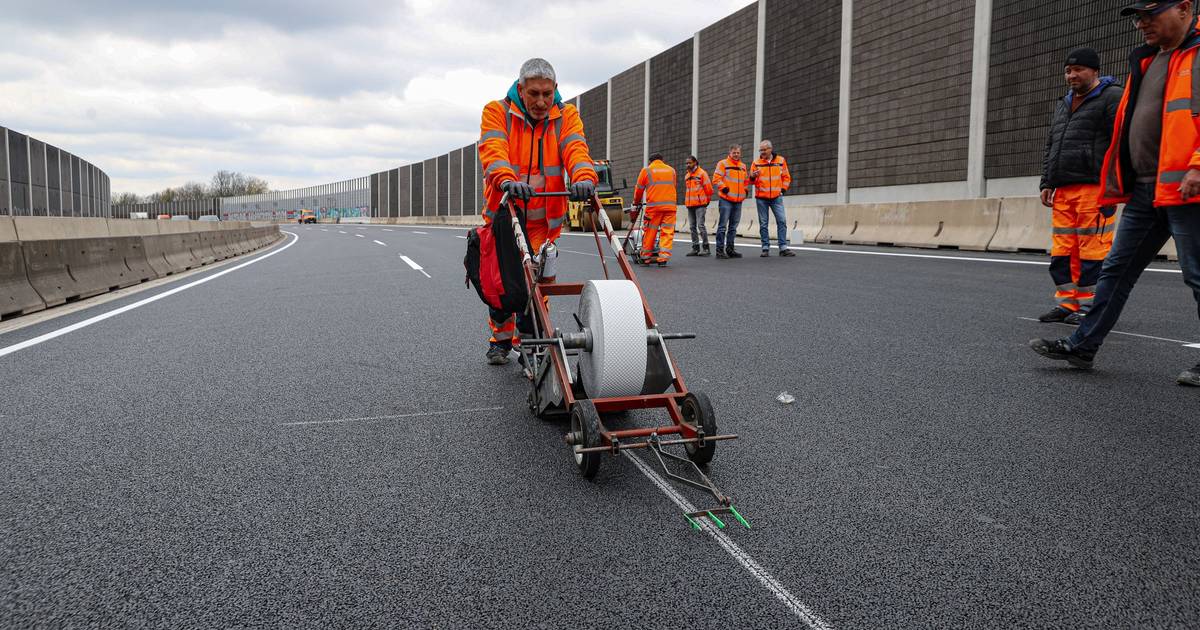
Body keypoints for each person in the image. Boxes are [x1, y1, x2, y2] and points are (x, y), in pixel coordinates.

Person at [1030, 0, 1200, 387]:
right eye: (1138, 18)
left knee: (1197, 275)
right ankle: (1082, 345)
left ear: (1184, 8)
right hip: (1145, 188)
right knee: (1116, 270)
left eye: (1150, 15)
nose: (1141, 24)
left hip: (1188, 187)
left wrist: (1197, 165)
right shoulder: (1147, 60)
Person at [477, 58, 597, 365]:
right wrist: (507, 180)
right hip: (505, 216)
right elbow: (493, 151)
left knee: (537, 284)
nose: (542, 102)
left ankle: (531, 341)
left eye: (547, 93)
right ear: (521, 90)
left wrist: (584, 177)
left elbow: (576, 149)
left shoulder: (566, 116)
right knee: (505, 285)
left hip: (544, 223)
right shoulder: (497, 112)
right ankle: (501, 340)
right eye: (534, 94)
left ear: (555, 89)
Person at [1036, 48, 1123, 325]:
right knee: (1063, 251)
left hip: (1094, 188)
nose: (1071, 75)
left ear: (1095, 71)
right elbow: (1052, 144)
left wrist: (1114, 184)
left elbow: (1121, 141)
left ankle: (1090, 307)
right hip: (1063, 189)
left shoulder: (1112, 97)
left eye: (1078, 70)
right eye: (1068, 71)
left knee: (1093, 252)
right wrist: (1047, 181)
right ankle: (1067, 304)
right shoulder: (1064, 102)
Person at [749, 139, 794, 257]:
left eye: (764, 150)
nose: (762, 152)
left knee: (782, 221)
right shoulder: (756, 163)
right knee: (763, 224)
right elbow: (751, 181)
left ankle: (783, 248)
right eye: (760, 150)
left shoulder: (781, 161)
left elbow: (786, 177)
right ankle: (765, 247)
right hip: (761, 198)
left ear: (770, 149)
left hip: (776, 197)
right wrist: (752, 176)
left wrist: (783, 190)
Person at [632, 153, 678, 266]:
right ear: (662, 160)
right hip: (670, 207)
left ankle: (646, 257)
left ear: (650, 161)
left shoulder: (646, 170)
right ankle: (663, 259)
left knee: (650, 232)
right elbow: (673, 186)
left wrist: (636, 203)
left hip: (654, 208)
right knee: (667, 232)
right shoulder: (671, 170)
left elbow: (639, 189)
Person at [712, 145, 750, 259]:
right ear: (730, 153)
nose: (736, 154)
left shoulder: (743, 166)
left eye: (738, 152)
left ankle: (730, 250)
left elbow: (746, 181)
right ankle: (719, 251)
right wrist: (723, 187)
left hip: (738, 201)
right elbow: (716, 178)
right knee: (722, 226)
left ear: (740, 153)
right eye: (734, 152)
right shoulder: (722, 163)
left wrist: (745, 191)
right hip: (726, 199)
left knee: (733, 227)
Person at [683, 155, 713, 256]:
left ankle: (706, 248)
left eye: (689, 163)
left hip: (700, 205)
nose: (688, 165)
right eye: (687, 163)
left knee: (700, 225)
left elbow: (709, 189)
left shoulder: (702, 173)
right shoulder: (687, 176)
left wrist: (707, 201)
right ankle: (695, 248)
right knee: (692, 227)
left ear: (695, 162)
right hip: (690, 205)